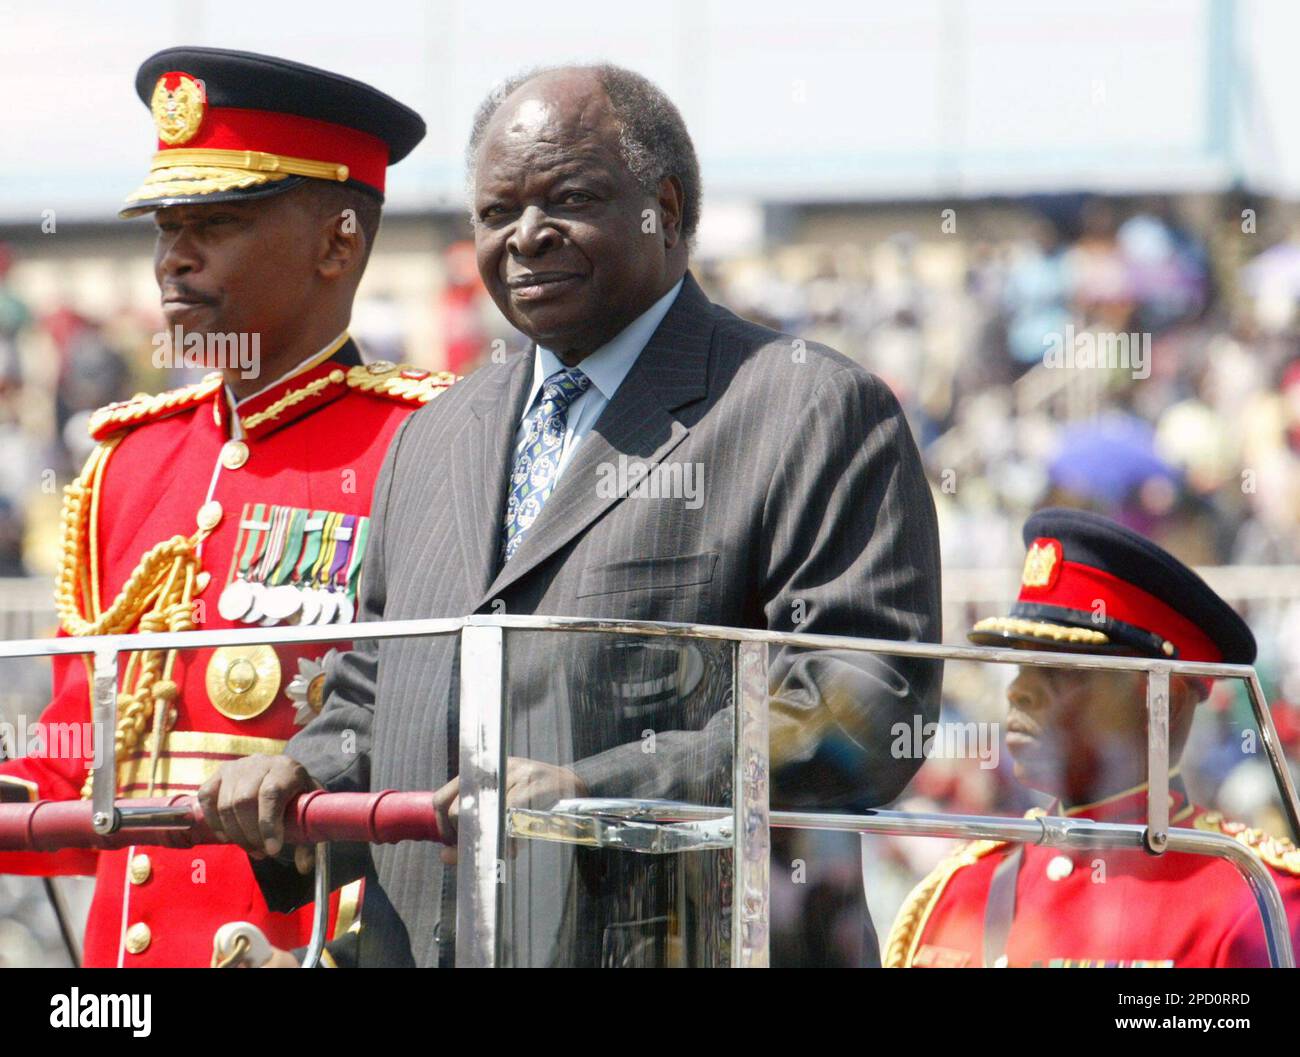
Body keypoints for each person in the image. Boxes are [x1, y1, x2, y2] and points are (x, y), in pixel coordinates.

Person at [201, 63, 942, 968]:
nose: (526, 236)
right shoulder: (435, 436)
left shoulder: (808, 408)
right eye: (496, 212)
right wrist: (302, 770)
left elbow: (863, 701)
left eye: (569, 198)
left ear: (664, 210)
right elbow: (374, 686)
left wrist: (598, 795)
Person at [0, 46, 453, 968]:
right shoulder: (130, 459)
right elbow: (76, 762)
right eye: (167, 226)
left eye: (218, 222)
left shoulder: (433, 443)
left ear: (338, 242)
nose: (175, 258)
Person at [885, 507, 1300, 968]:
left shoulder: (1251, 902)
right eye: (1021, 663)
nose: (1019, 689)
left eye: (1060, 670)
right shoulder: (962, 889)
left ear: (1162, 699)